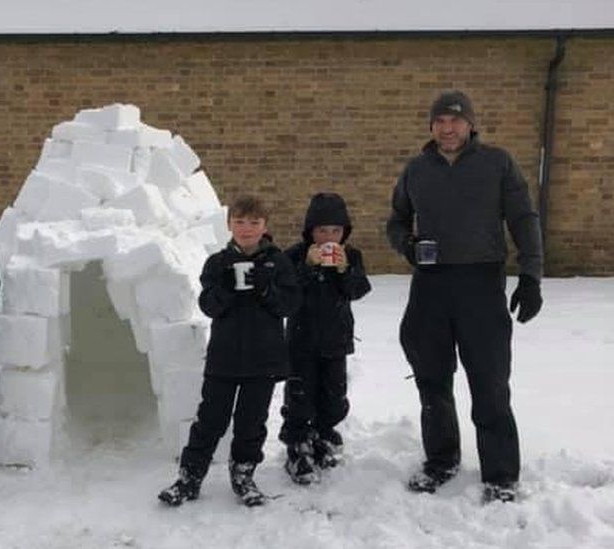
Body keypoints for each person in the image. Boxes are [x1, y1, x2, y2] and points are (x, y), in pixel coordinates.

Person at [386, 90, 544, 504]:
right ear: (431, 127)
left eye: (456, 120)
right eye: (440, 120)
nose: (448, 127)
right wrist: (407, 244)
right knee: (432, 379)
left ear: (470, 124)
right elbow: (396, 220)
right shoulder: (417, 169)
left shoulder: (497, 163)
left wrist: (531, 275)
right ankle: (441, 460)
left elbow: (524, 218)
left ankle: (501, 475)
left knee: (489, 382)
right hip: (431, 287)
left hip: (481, 285)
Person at [158, 195, 300, 507]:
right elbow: (208, 306)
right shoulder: (217, 263)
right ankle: (189, 477)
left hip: (263, 359)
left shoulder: (278, 262)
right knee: (210, 420)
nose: (246, 228)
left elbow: (290, 305)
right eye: (239, 222)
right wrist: (226, 289)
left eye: (254, 222)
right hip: (224, 358)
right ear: (229, 224)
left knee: (252, 423)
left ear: (265, 226)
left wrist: (266, 288)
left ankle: (244, 476)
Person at [278, 192, 371, 485]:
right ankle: (297, 444)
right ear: (310, 232)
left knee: (334, 396)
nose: (329, 237)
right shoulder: (293, 256)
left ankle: (322, 434)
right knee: (300, 398)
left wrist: (344, 269)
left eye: (336, 231)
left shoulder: (351, 256)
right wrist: (306, 266)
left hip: (335, 340)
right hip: (301, 341)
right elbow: (285, 296)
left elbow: (358, 290)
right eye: (322, 231)